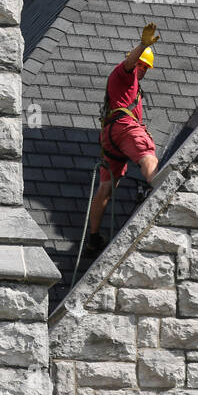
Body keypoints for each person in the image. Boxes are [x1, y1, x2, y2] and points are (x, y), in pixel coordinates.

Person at [86, 23, 160, 255]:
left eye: (144, 67)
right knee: (146, 150)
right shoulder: (123, 74)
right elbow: (129, 64)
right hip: (123, 128)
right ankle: (162, 189)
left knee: (107, 185)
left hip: (110, 137)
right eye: (140, 64)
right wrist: (143, 45)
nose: (141, 69)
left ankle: (93, 237)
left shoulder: (133, 88)